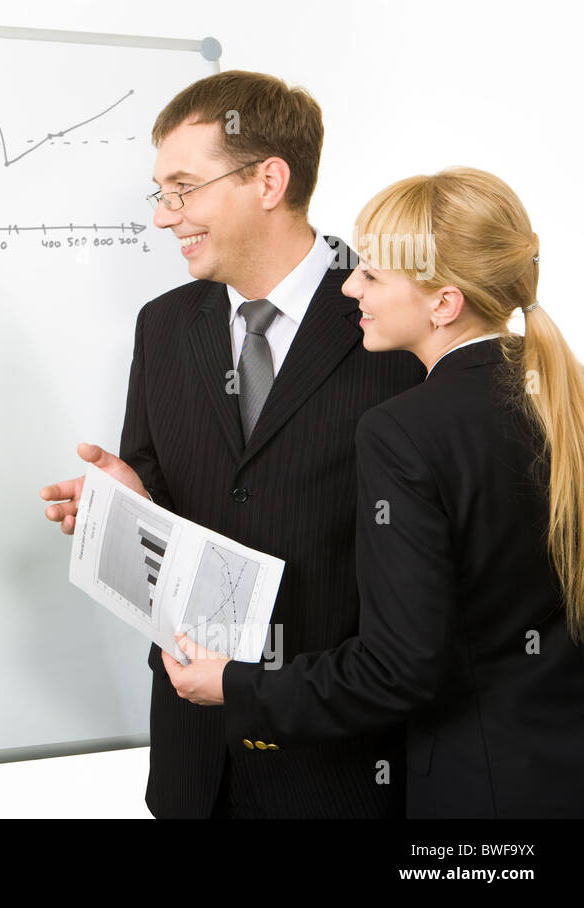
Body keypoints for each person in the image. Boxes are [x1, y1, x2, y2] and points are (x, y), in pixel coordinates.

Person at [40, 71, 426, 818]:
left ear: (268, 180)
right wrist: (132, 502)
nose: (163, 217)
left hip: (340, 769)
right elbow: (168, 501)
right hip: (195, 762)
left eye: (182, 189)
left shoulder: (394, 315)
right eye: (161, 193)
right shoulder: (164, 324)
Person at [162, 167, 584, 817]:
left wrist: (233, 685)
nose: (350, 285)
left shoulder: (403, 431)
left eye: (373, 275)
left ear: (444, 304)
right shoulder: (560, 401)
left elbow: (398, 670)